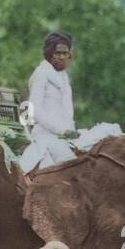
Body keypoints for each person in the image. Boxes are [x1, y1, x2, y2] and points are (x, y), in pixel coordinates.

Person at [20, 31, 78, 172]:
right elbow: (36, 112)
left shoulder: (64, 78)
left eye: (65, 54)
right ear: (49, 53)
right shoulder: (41, 74)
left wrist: (70, 132)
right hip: (45, 138)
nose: (62, 57)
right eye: (57, 53)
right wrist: (62, 131)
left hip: (66, 137)